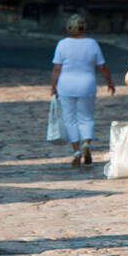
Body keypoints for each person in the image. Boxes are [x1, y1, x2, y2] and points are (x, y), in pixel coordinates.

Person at [50, 13, 115, 167]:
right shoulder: (92, 44)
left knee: (70, 119)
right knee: (86, 117)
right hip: (87, 84)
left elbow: (56, 68)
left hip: (66, 85)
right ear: (84, 28)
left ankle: (76, 151)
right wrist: (110, 82)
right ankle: (86, 143)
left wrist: (53, 87)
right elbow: (102, 66)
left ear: (68, 28)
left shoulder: (62, 44)